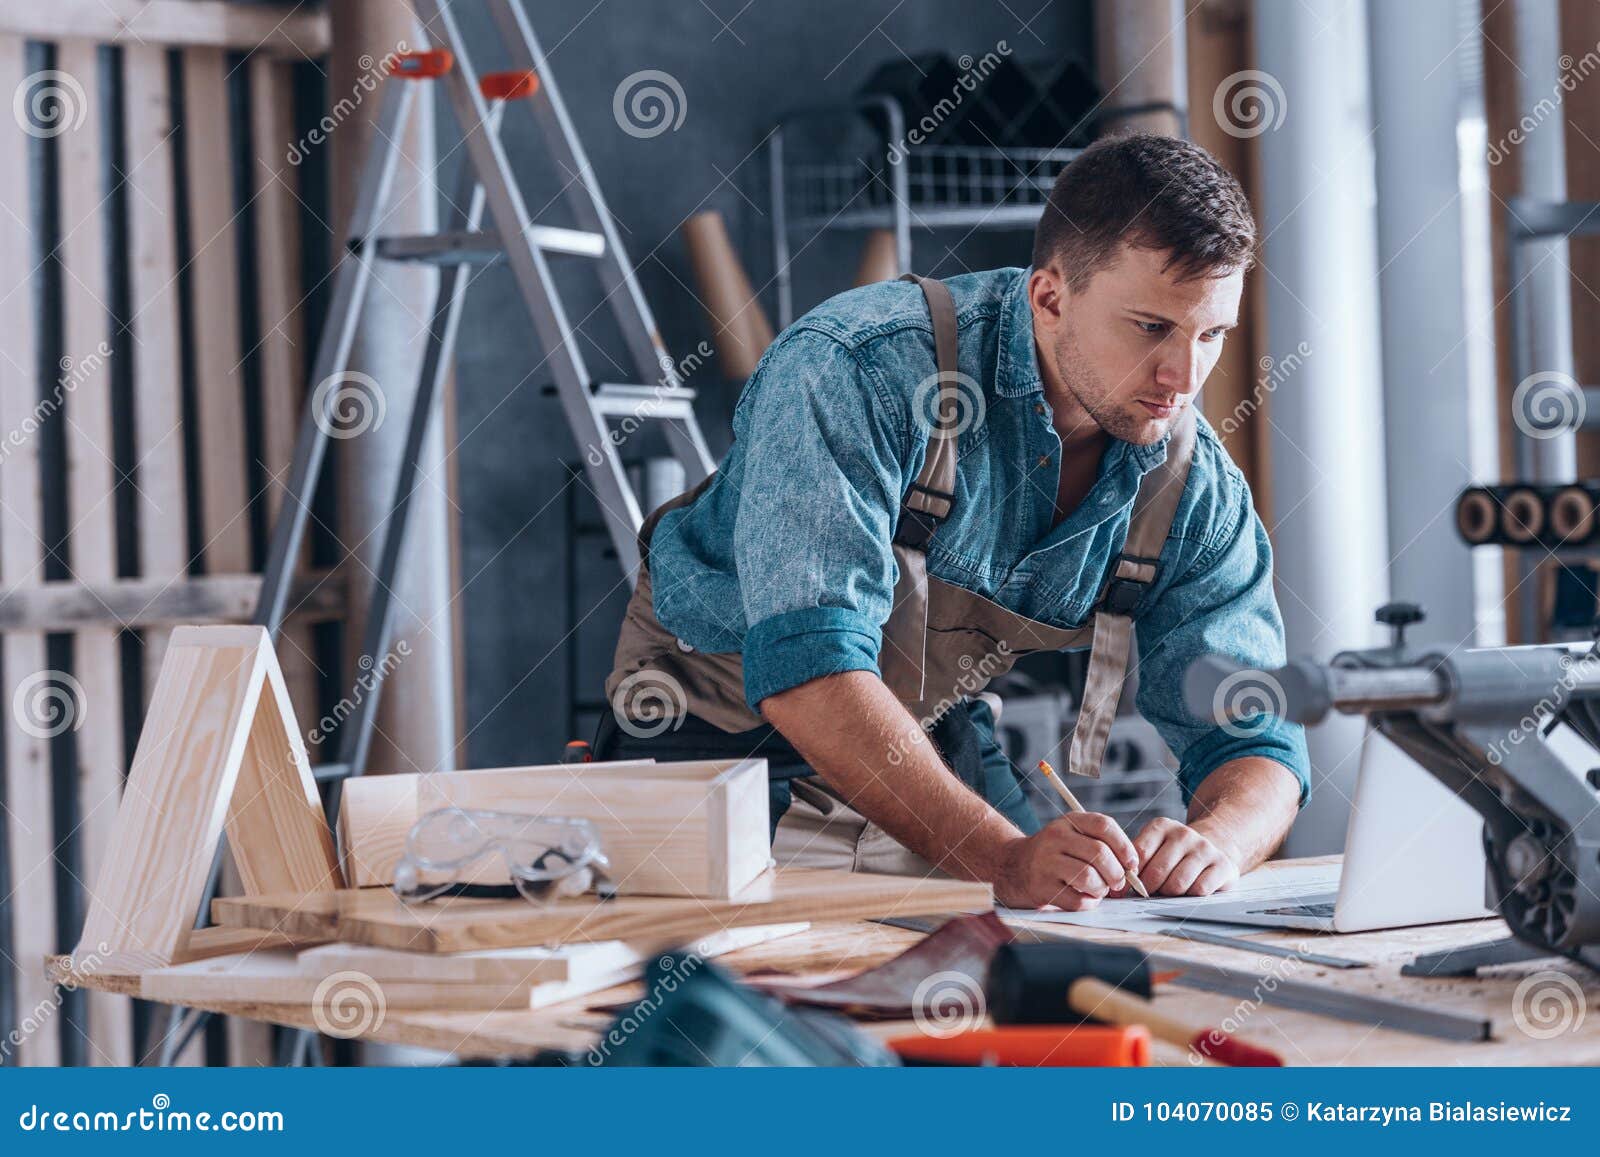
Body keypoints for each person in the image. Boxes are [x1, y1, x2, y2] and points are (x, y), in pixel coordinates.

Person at [595, 132, 1308, 911]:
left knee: (1056, 941)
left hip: (926, 733)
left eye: (1211, 334)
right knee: (722, 977)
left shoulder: (1191, 486)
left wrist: (1219, 841)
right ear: (1050, 298)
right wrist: (1003, 858)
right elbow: (808, 671)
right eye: (1150, 327)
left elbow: (1258, 736)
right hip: (720, 730)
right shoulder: (854, 368)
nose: (1183, 376)